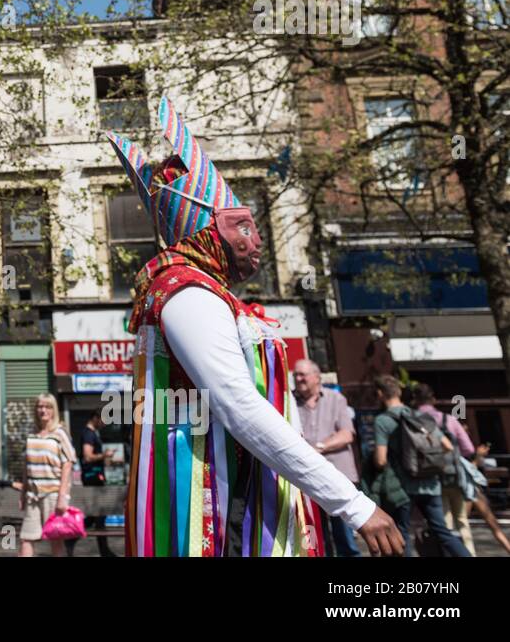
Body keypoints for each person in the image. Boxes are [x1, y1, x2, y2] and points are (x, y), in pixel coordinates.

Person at [106, 98, 402, 556]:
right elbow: (239, 407)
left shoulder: (209, 294)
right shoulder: (187, 292)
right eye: (242, 226)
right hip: (222, 511)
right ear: (207, 232)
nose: (257, 239)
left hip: (248, 496)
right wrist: (355, 505)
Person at [371, 375, 470, 557]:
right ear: (399, 392)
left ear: (379, 394)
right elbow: (447, 446)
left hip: (402, 487)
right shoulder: (419, 416)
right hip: (430, 483)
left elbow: (381, 460)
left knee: (402, 532)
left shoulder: (382, 421)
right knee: (442, 531)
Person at [293, 360, 361, 557]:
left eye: (302, 375)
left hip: (338, 477)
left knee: (345, 538)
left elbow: (347, 434)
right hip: (305, 480)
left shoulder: (335, 399)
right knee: (315, 539)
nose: (298, 379)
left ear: (317, 377)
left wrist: (318, 448)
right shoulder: (289, 401)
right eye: (296, 375)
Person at [411, 383, 476, 555]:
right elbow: (469, 449)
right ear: (433, 399)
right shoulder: (449, 419)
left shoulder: (413, 420)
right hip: (454, 475)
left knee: (444, 523)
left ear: (415, 400)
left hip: (429, 478)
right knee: (462, 520)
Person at [19, 393, 76, 557]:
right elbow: (26, 466)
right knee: (26, 539)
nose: (43, 410)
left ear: (53, 410)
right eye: (39, 406)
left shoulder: (60, 433)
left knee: (55, 539)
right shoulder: (31, 434)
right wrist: (23, 493)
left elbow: (68, 464)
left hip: (53, 494)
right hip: (32, 496)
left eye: (47, 407)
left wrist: (62, 497)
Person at [78, 411, 120, 557]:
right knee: (99, 516)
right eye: (103, 420)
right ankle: (104, 551)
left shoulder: (93, 433)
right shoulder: (89, 434)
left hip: (95, 477)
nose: (104, 424)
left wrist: (108, 459)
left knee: (94, 517)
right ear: (95, 418)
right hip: (92, 479)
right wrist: (104, 455)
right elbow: (88, 456)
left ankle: (72, 536)